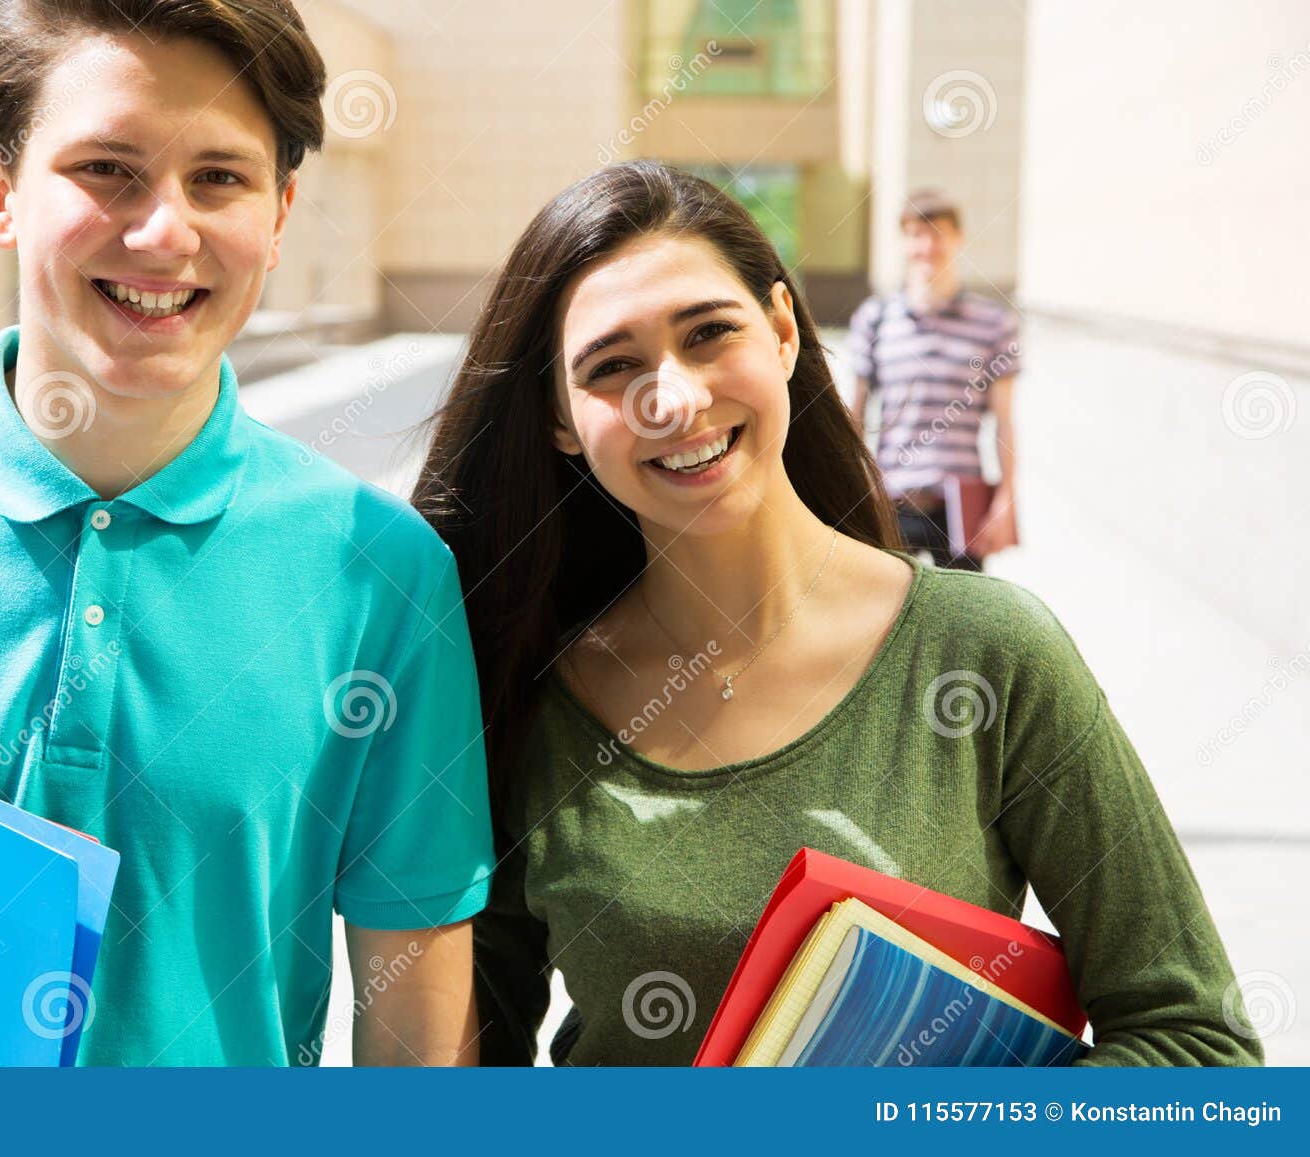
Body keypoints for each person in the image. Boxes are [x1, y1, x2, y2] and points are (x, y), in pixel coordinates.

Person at [0, 0, 492, 1067]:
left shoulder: (377, 573)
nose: (163, 230)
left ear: (279, 212)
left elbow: (417, 1029)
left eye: (218, 177)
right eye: (107, 170)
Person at [412, 160, 1262, 1067]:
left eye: (708, 333)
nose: (675, 398)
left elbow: (1199, 1044)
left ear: (782, 331)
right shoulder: (521, 698)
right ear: (559, 419)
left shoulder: (992, 654)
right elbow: (466, 1079)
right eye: (613, 367)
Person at [848, 189, 1020, 571]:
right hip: (891, 504)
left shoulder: (994, 324)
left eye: (937, 233)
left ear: (957, 237)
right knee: (891, 624)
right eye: (915, 234)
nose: (927, 245)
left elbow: (1004, 421)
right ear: (904, 242)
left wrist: (1005, 499)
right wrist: (858, 495)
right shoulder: (874, 320)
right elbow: (854, 418)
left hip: (962, 508)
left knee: (965, 625)